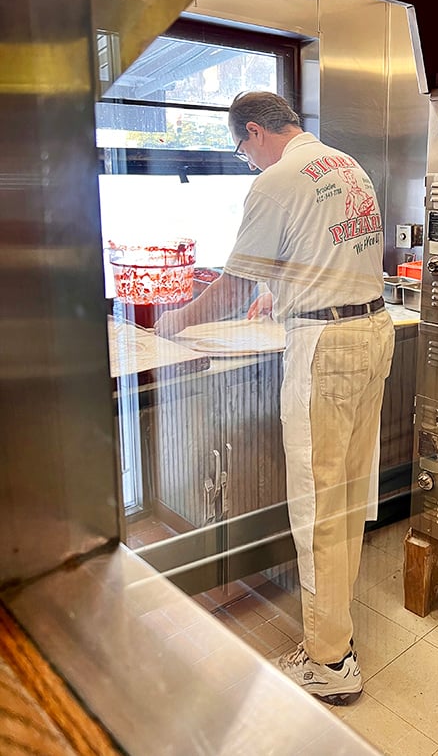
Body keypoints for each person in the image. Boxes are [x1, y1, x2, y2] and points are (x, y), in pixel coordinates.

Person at [155, 91, 395, 705]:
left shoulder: (274, 181)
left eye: (242, 151)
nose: (246, 162)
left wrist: (175, 321)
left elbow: (233, 289)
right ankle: (336, 634)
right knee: (344, 496)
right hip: (372, 330)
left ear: (256, 132)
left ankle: (329, 663)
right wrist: (283, 289)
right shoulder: (345, 164)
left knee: (317, 505)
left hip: (328, 348)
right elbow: (330, 249)